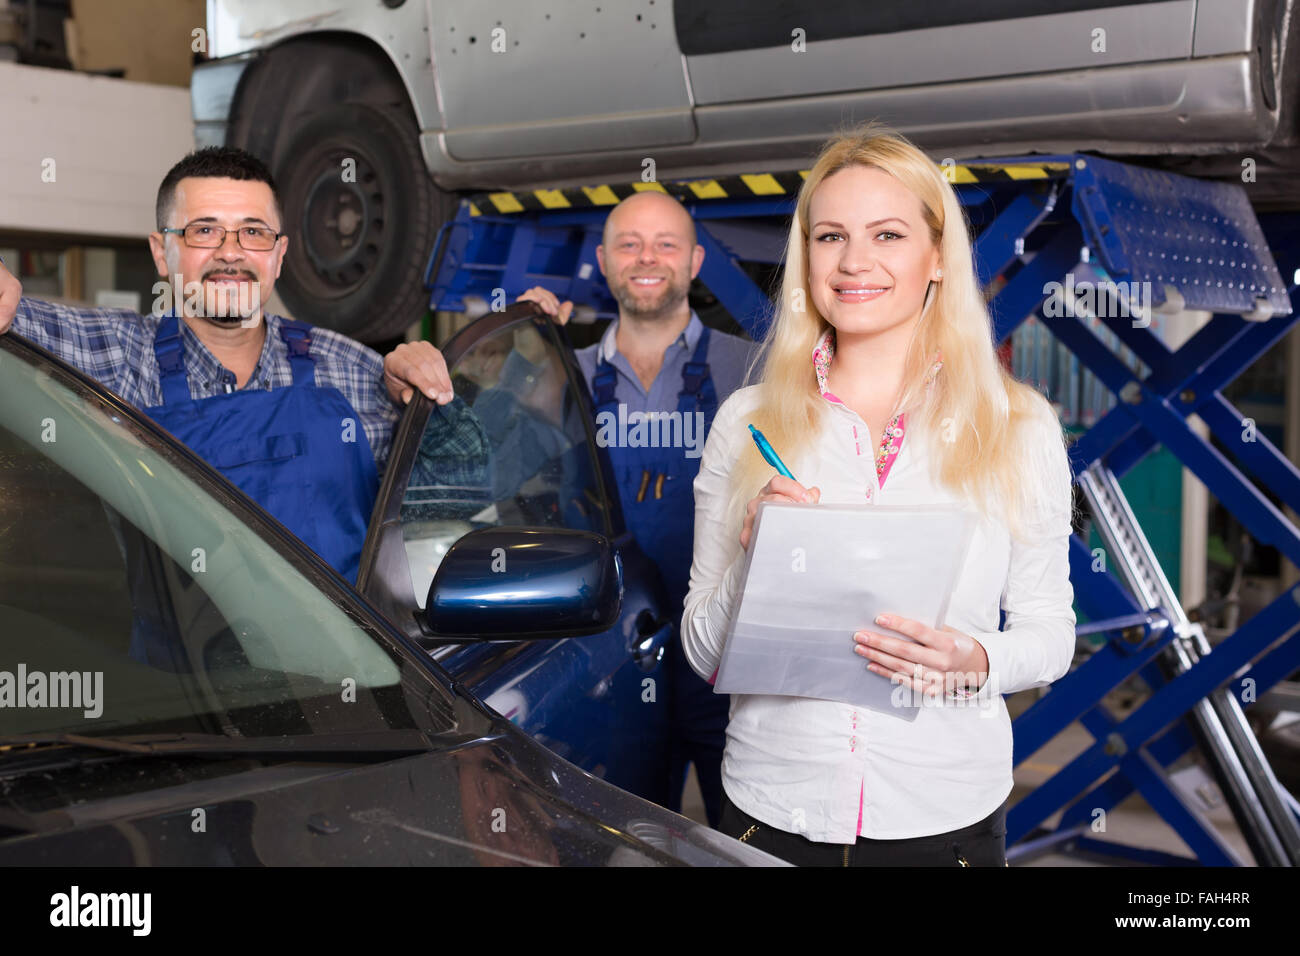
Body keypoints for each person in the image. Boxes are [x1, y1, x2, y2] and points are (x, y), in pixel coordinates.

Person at [680, 124, 1077, 866]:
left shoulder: (1018, 426)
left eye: (887, 235)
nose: (853, 261)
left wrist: (975, 660)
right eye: (830, 236)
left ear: (938, 257)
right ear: (807, 256)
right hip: (771, 809)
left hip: (944, 815)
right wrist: (754, 566)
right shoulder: (746, 423)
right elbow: (702, 653)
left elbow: (1050, 633)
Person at [388, 191, 757, 824]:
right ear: (604, 263)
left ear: (695, 261)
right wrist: (518, 356)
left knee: (742, 831)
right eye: (629, 244)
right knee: (631, 836)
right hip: (614, 652)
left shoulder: (751, 368)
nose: (647, 257)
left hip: (727, 645)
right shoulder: (562, 374)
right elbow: (484, 468)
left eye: (666, 244)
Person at [0, 147, 455, 587]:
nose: (231, 253)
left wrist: (431, 402)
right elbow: (12, 318)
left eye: (253, 232)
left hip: (345, 644)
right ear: (161, 252)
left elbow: (460, 493)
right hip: (172, 645)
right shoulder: (117, 356)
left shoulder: (351, 369)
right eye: (204, 230)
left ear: (279, 255)